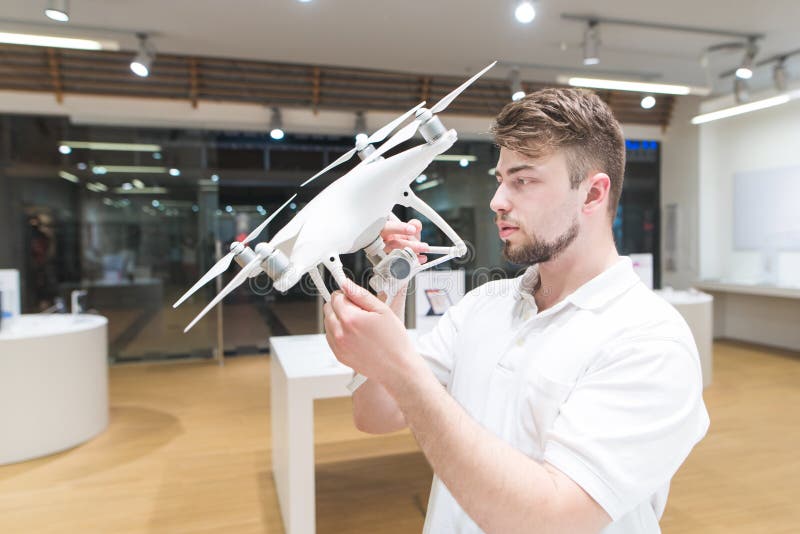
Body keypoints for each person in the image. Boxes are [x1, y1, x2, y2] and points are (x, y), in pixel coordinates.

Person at [323, 88, 709, 533]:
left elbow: (551, 520)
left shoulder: (650, 341)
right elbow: (374, 414)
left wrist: (402, 367)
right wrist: (393, 282)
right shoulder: (484, 304)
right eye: (500, 178)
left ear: (592, 194)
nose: (497, 200)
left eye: (523, 180)